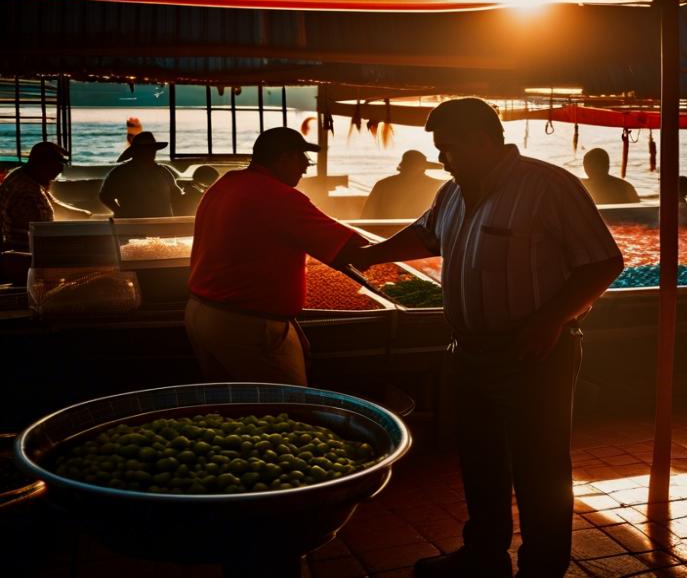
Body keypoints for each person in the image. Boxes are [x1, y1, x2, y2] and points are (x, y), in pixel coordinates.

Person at [347, 98, 623, 578]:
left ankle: (542, 566)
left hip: (533, 354)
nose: (441, 158)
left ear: (483, 140)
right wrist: (373, 254)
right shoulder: (452, 192)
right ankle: (484, 555)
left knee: (540, 468)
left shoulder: (548, 186)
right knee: (479, 461)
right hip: (469, 352)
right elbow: (426, 235)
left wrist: (550, 320)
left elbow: (602, 263)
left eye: (448, 148)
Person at [185, 127, 367, 386]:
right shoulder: (279, 196)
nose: (306, 166)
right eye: (303, 158)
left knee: (233, 410)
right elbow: (352, 250)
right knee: (286, 410)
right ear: (284, 158)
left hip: (202, 312)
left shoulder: (227, 182)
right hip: (246, 324)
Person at [0, 141, 91, 251]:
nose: (59, 171)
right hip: (26, 251)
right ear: (41, 164)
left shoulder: (26, 175)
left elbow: (51, 203)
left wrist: (84, 214)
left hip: (34, 244)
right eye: (54, 169)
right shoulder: (25, 194)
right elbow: (40, 232)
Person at [99, 131, 182, 218]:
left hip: (162, 224)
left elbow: (176, 194)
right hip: (132, 225)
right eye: (146, 149)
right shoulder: (120, 173)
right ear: (136, 151)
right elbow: (105, 196)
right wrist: (120, 212)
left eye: (152, 149)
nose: (151, 152)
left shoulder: (163, 171)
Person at [360, 150, 444, 219]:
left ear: (403, 166)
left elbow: (366, 216)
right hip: (420, 235)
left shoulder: (382, 185)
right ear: (424, 168)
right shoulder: (438, 185)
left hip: (387, 235)